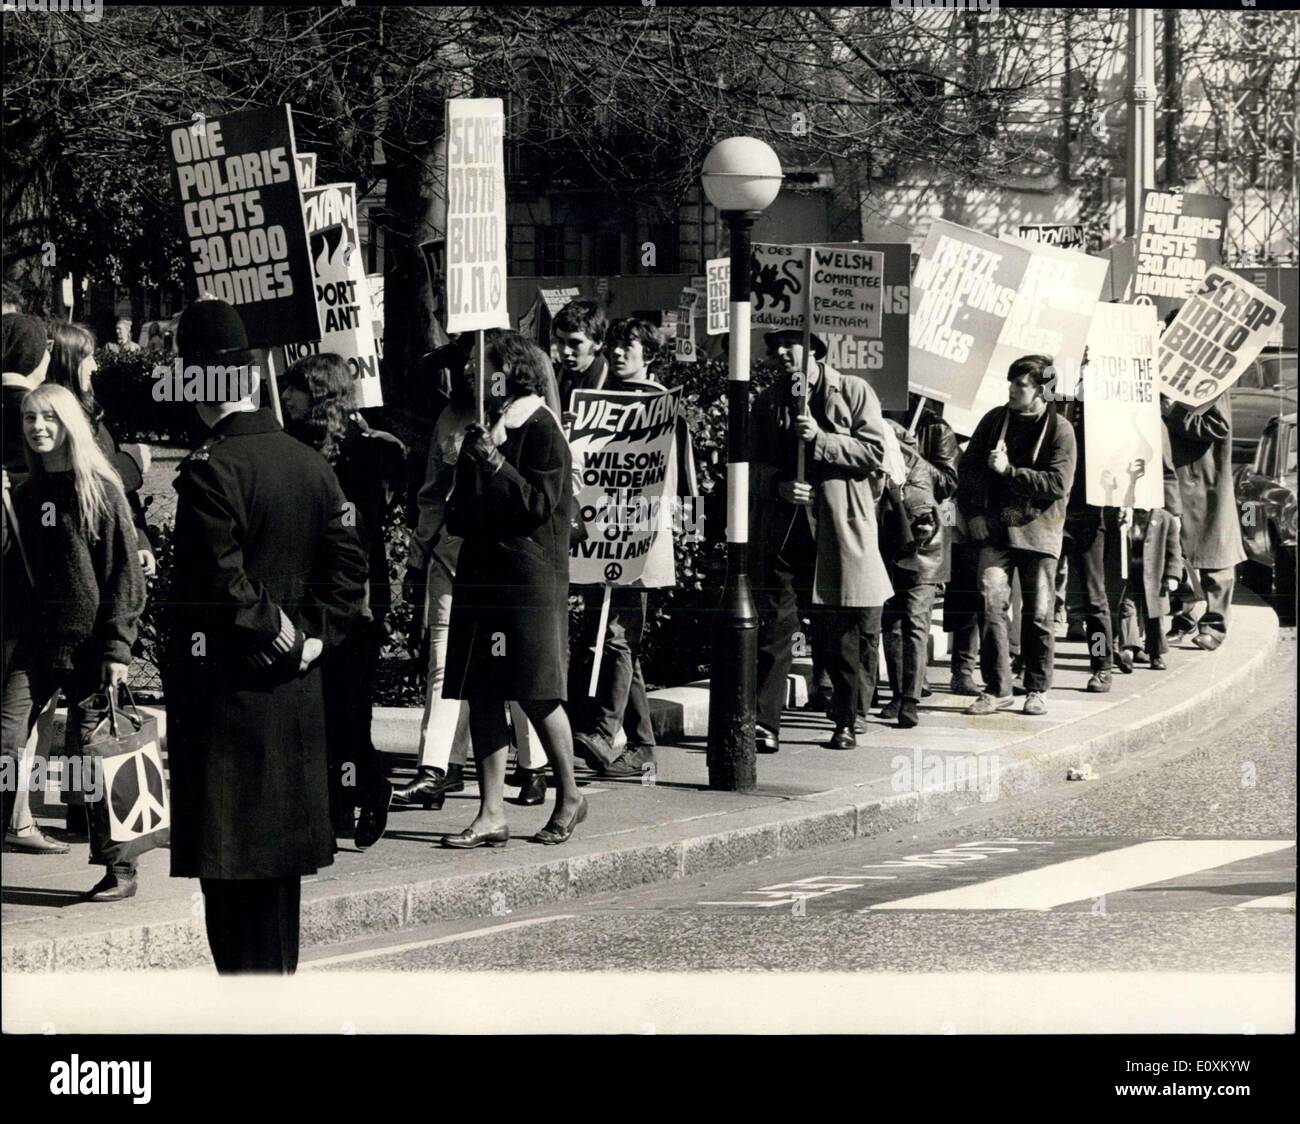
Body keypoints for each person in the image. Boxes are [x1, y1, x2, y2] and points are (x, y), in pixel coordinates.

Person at [164, 299, 368, 974]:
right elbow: (349, 574)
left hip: (229, 712)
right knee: (278, 910)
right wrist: (312, 640)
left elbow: (223, 587)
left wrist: (282, 636)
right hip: (296, 706)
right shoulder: (309, 463)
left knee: (234, 911)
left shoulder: (209, 470)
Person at [441, 330, 586, 848]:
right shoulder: (487, 428)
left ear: (511, 372)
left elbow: (538, 506)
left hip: (528, 578)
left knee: (536, 690)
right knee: (482, 691)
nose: (470, 374)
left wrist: (494, 465)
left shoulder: (542, 427)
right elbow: (460, 512)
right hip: (483, 573)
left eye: (481, 365)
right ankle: (491, 813)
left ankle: (570, 794)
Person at [1, 384, 146, 897]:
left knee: (95, 758)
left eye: (49, 418)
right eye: (29, 419)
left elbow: (125, 575)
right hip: (33, 644)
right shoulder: (21, 494)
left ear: (69, 424)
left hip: (88, 647)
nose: (38, 427)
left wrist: (117, 649)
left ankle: (119, 868)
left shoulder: (98, 489)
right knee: (5, 741)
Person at [278, 352, 406, 848]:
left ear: (320, 393)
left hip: (355, 598)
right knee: (319, 709)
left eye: (296, 388)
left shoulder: (366, 451)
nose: (285, 396)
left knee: (349, 710)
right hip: (306, 596)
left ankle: (369, 787)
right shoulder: (294, 445)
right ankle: (335, 813)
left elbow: (360, 529)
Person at [750, 329, 893, 751]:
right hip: (784, 531)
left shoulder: (853, 391)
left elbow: (872, 453)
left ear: (814, 349)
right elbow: (749, 465)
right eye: (773, 346)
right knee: (776, 630)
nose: (779, 352)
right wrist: (776, 486)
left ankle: (845, 719)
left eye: (789, 343)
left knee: (838, 633)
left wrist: (821, 439)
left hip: (835, 529)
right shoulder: (768, 400)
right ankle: (766, 725)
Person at [569, 318, 698, 777]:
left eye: (631, 346)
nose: (621, 354)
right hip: (600, 535)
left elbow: (687, 477)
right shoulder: (598, 400)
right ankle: (642, 749)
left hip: (641, 536)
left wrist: (687, 532)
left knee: (619, 635)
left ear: (649, 353)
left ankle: (605, 733)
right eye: (617, 347)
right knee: (615, 639)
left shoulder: (663, 407)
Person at [957, 355, 1077, 717]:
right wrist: (975, 513)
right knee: (991, 603)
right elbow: (968, 470)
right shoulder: (995, 420)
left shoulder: (1060, 429)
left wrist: (1010, 471)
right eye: (1010, 383)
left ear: (1040, 390)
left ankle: (1037, 688)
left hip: (1041, 532)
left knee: (1040, 613)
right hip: (996, 530)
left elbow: (1058, 484)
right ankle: (997, 688)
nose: (1012, 390)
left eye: (1020, 385)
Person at [46, 321, 156, 578]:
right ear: (68, 363)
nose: (95, 366)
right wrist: (132, 464)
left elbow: (122, 497)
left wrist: (139, 540)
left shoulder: (93, 418)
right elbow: (58, 496)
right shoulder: (50, 423)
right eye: (88, 358)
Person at [879, 418, 950, 728]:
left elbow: (922, 508)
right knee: (892, 624)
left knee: (914, 622)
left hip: (921, 551)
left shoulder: (913, 466)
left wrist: (898, 495)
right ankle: (899, 695)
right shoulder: (883, 460)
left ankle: (910, 698)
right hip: (894, 549)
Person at [1163, 389, 1245, 650]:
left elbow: (1218, 426)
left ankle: (1214, 625)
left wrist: (1171, 411)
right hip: (1178, 477)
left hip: (1206, 480)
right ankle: (1184, 617)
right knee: (1179, 553)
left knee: (1215, 556)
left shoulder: (1213, 383)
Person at [1061, 392, 1128, 692]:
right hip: (1052, 509)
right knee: (1039, 595)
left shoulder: (1109, 411)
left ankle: (1102, 664)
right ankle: (1029, 664)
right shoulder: (1055, 396)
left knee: (1093, 595)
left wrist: (1126, 498)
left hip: (1090, 512)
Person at [1118, 427, 1184, 670]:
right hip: (1131, 573)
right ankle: (1127, 648)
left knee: (1155, 616)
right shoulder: (1126, 515)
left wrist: (1173, 575)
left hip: (1154, 577)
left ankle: (1156, 652)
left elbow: (1173, 550)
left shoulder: (1164, 519)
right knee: (1127, 608)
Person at [552, 298, 609, 410]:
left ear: (597, 343)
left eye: (575, 343)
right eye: (560, 341)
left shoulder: (612, 381)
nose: (565, 351)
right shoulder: (553, 373)